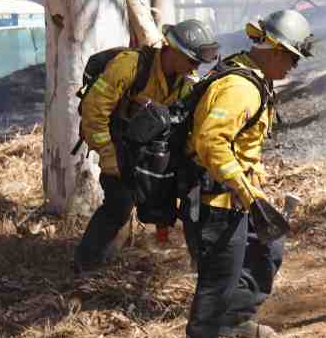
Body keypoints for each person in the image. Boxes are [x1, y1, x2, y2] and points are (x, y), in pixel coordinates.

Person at [178, 9, 314, 338]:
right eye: (291, 58)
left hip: (239, 192)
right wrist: (245, 190)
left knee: (268, 248)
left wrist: (252, 186)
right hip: (216, 198)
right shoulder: (239, 88)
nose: (293, 68)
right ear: (273, 49)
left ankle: (234, 321)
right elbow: (211, 143)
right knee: (220, 275)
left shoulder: (253, 76)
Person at [73, 20, 220, 272]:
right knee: (119, 204)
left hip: (151, 145)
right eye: (192, 61)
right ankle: (85, 263)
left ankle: (196, 262)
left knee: (177, 194)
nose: (195, 68)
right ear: (173, 50)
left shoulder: (186, 82)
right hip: (116, 143)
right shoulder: (130, 66)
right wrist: (108, 156)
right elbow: (93, 111)